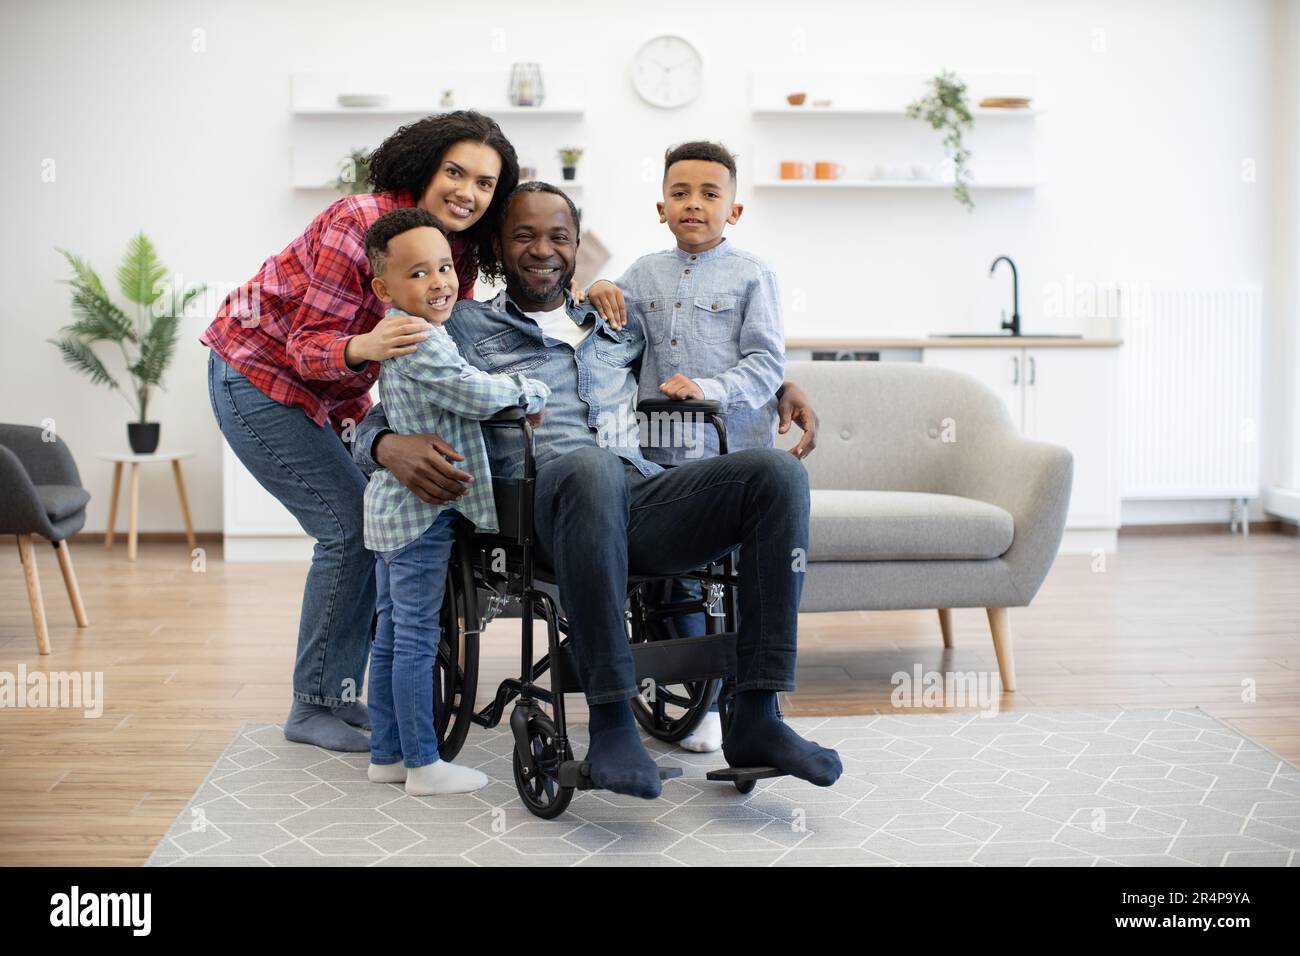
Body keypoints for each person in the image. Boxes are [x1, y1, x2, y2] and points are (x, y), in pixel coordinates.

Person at [355, 182, 842, 799]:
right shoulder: (459, 323)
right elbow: (391, 402)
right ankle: (612, 725)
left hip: (638, 497)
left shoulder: (616, 320)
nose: (543, 250)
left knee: (777, 474)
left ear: (578, 247)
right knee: (590, 466)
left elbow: (696, 359)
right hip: (542, 513)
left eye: (559, 236)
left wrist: (777, 386)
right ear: (497, 249)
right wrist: (381, 445)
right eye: (523, 235)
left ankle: (760, 717)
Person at [201, 111, 518, 752]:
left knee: (375, 525)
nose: (468, 192)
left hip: (336, 397)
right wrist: (367, 344)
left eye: (485, 183)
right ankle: (314, 705)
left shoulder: (458, 251)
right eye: (455, 172)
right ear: (425, 167)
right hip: (256, 373)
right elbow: (307, 348)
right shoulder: (360, 222)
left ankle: (348, 699)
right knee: (347, 528)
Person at [582, 139, 783, 753]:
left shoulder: (753, 276)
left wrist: (708, 388)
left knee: (727, 586)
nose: (693, 204)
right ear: (661, 206)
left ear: (734, 210)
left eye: (709, 193)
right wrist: (594, 292)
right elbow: (609, 337)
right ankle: (686, 700)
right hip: (656, 459)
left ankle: (733, 705)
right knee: (668, 584)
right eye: (679, 193)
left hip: (725, 458)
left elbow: (766, 364)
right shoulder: (640, 274)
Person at [360, 208, 548, 795]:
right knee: (415, 638)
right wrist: (529, 388)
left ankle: (388, 754)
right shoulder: (420, 339)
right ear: (383, 288)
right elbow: (472, 391)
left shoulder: (405, 331)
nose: (439, 281)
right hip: (421, 512)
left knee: (392, 635)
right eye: (418, 273)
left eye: (444, 267)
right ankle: (423, 764)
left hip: (392, 511)